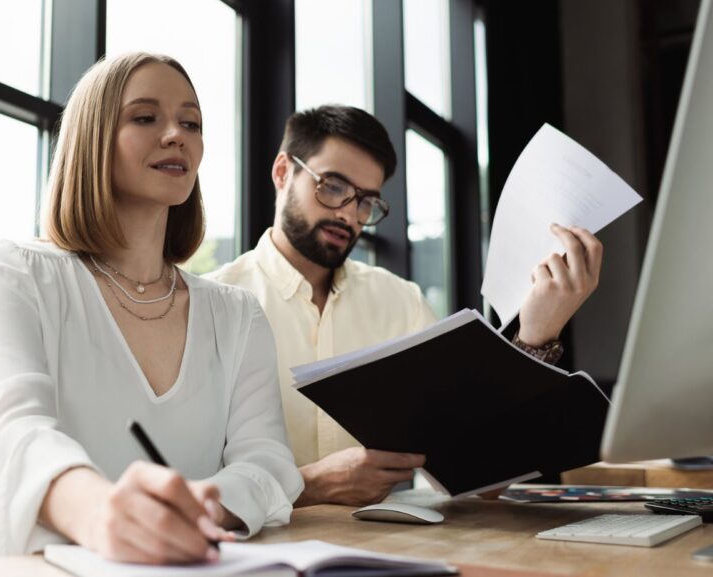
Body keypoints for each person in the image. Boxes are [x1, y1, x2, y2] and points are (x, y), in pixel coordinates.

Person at [0, 52, 302, 568]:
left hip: (157, 564)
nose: (176, 135)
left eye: (191, 123)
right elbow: (14, 435)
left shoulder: (238, 314)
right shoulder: (15, 273)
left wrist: (203, 508)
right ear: (92, 139)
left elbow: (268, 458)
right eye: (145, 117)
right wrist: (101, 515)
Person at [206, 105, 602, 507]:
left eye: (367, 202)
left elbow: (481, 475)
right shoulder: (213, 305)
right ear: (282, 172)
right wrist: (311, 485)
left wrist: (535, 335)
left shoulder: (402, 302)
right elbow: (185, 488)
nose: (349, 214)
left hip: (387, 543)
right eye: (333, 186)